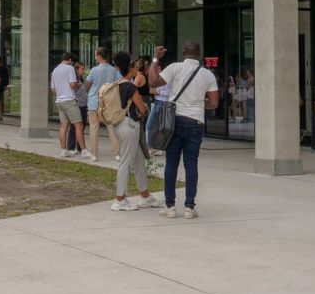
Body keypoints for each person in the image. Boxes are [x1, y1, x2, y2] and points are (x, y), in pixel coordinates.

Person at [158, 41, 219, 219]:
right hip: (196, 121)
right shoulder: (208, 75)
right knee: (191, 164)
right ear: (199, 54)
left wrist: (155, 59)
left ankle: (170, 206)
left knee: (171, 163)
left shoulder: (174, 68)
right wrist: (198, 104)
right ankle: (189, 207)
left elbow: (153, 81)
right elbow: (214, 103)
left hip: (175, 120)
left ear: (183, 53)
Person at [111, 53, 161, 211]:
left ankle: (145, 196)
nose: (136, 68)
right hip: (130, 126)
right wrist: (143, 109)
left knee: (139, 161)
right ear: (130, 68)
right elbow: (142, 108)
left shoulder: (117, 84)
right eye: (134, 66)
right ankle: (119, 199)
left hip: (120, 124)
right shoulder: (130, 87)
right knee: (126, 162)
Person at [50, 52, 90, 159]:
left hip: (59, 101)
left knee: (64, 126)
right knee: (79, 125)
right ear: (70, 60)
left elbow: (53, 89)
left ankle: (63, 150)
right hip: (69, 100)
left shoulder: (55, 70)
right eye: (72, 62)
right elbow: (72, 84)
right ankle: (84, 150)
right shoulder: (70, 68)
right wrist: (78, 86)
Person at [84, 46, 122, 159]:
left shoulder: (94, 70)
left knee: (94, 128)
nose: (95, 56)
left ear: (99, 56)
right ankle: (117, 153)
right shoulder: (114, 70)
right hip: (108, 102)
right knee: (111, 127)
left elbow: (87, 83)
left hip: (94, 101)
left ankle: (94, 154)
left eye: (96, 54)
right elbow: (119, 82)